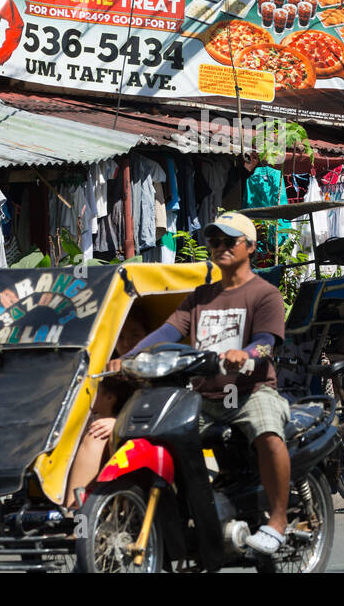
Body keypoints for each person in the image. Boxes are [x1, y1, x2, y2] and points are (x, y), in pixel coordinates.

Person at [110, 212, 291, 555]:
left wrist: (247, 352)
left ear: (250, 247)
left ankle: (277, 522)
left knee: (267, 432)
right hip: (202, 396)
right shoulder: (199, 296)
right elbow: (167, 331)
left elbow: (267, 340)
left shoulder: (265, 294)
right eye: (214, 241)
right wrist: (128, 356)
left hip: (250, 393)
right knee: (156, 434)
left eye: (229, 241)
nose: (220, 247)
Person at [64, 314, 147, 508]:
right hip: (118, 430)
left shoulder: (160, 367)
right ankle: (80, 517)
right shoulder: (109, 368)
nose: (127, 343)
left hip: (144, 433)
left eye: (135, 335)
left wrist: (119, 423)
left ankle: (80, 514)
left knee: (96, 434)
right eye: (121, 337)